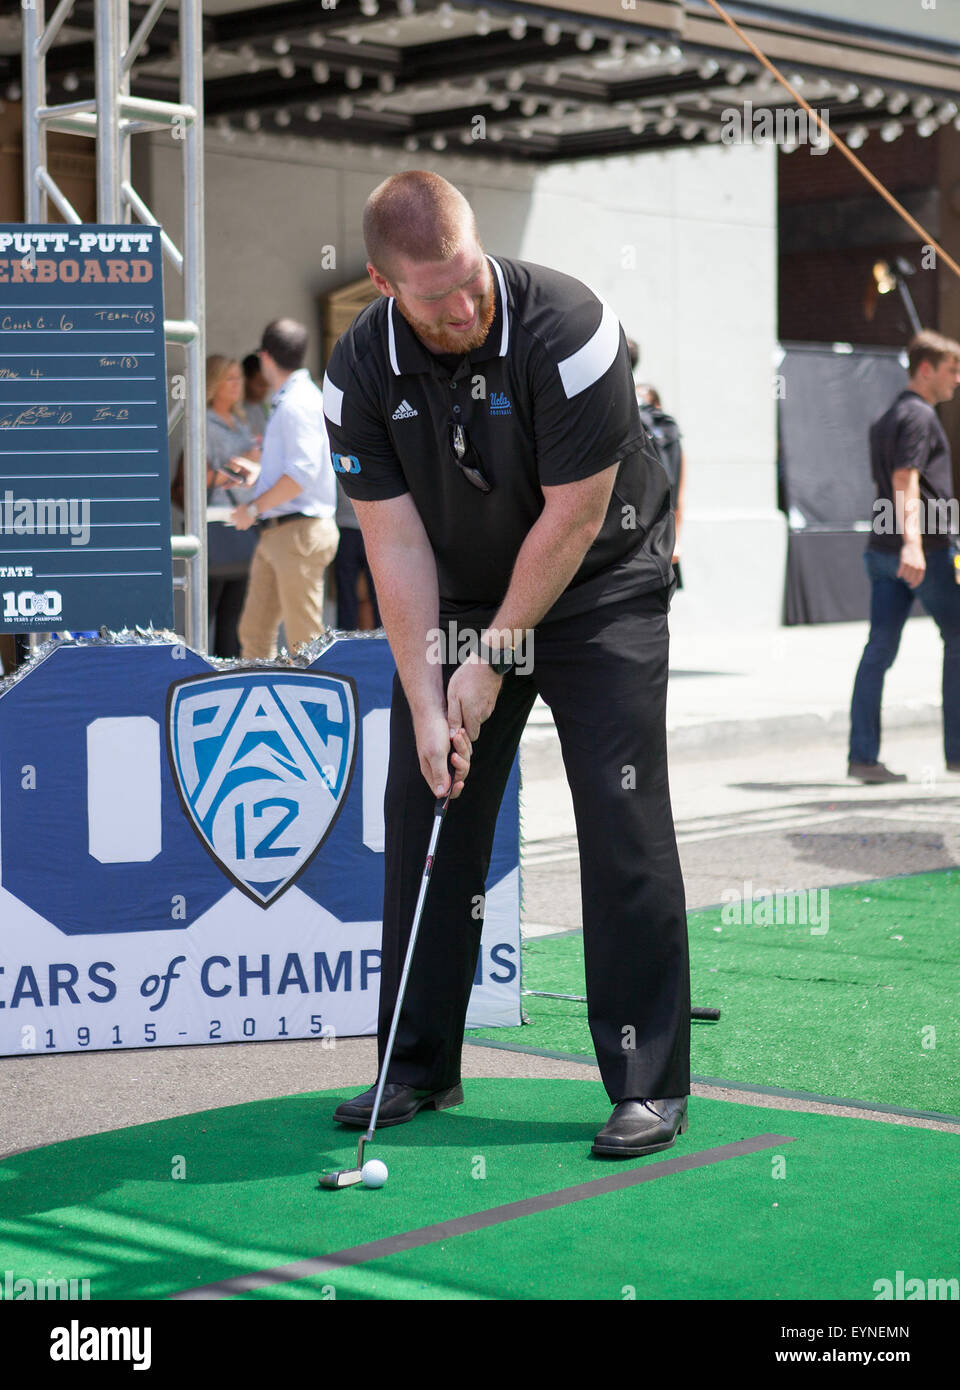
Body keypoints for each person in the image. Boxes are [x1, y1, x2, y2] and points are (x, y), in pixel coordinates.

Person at [322, 171, 689, 1158]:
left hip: (600, 583)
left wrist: (488, 663)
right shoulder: (357, 372)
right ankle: (417, 1062)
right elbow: (394, 549)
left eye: (473, 278)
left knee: (619, 812)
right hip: (463, 596)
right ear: (382, 283)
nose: (467, 304)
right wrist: (426, 703)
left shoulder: (571, 326)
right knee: (426, 798)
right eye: (439, 295)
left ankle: (646, 1078)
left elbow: (571, 518)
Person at [849, 329, 960, 783]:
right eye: (952, 370)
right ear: (926, 369)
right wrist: (913, 543)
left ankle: (863, 758)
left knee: (878, 650)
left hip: (882, 552)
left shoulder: (887, 416)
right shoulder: (918, 417)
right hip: (922, 554)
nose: (957, 380)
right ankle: (957, 753)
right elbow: (904, 479)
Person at [231, 319, 339, 659]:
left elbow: (301, 475)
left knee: (304, 644)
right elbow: (299, 471)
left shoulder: (295, 403)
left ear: (264, 357)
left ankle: (314, 711)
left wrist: (251, 509)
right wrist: (261, 475)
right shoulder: (296, 399)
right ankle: (255, 707)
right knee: (255, 633)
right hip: (283, 532)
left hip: (296, 532)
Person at [204, 355, 259, 658]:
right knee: (208, 610)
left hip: (243, 520)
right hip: (214, 520)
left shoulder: (240, 421)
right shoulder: (204, 422)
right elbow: (199, 475)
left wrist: (254, 457)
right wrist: (237, 469)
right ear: (214, 383)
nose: (238, 385)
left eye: (240, 378)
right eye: (231, 379)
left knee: (235, 614)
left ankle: (231, 671)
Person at [639, 383, 685, 588]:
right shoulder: (670, 434)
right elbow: (679, 496)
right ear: (658, 404)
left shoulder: (632, 427)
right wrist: (676, 539)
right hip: (664, 529)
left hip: (633, 523)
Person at [334, 482, 382, 630]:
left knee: (346, 594)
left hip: (346, 530)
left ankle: (345, 637)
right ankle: (384, 638)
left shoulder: (336, 462)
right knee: (380, 593)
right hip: (375, 529)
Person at [242, 352, 270, 442]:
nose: (265, 389)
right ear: (246, 380)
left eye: (267, 384)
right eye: (260, 384)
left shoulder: (265, 407)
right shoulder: (236, 410)